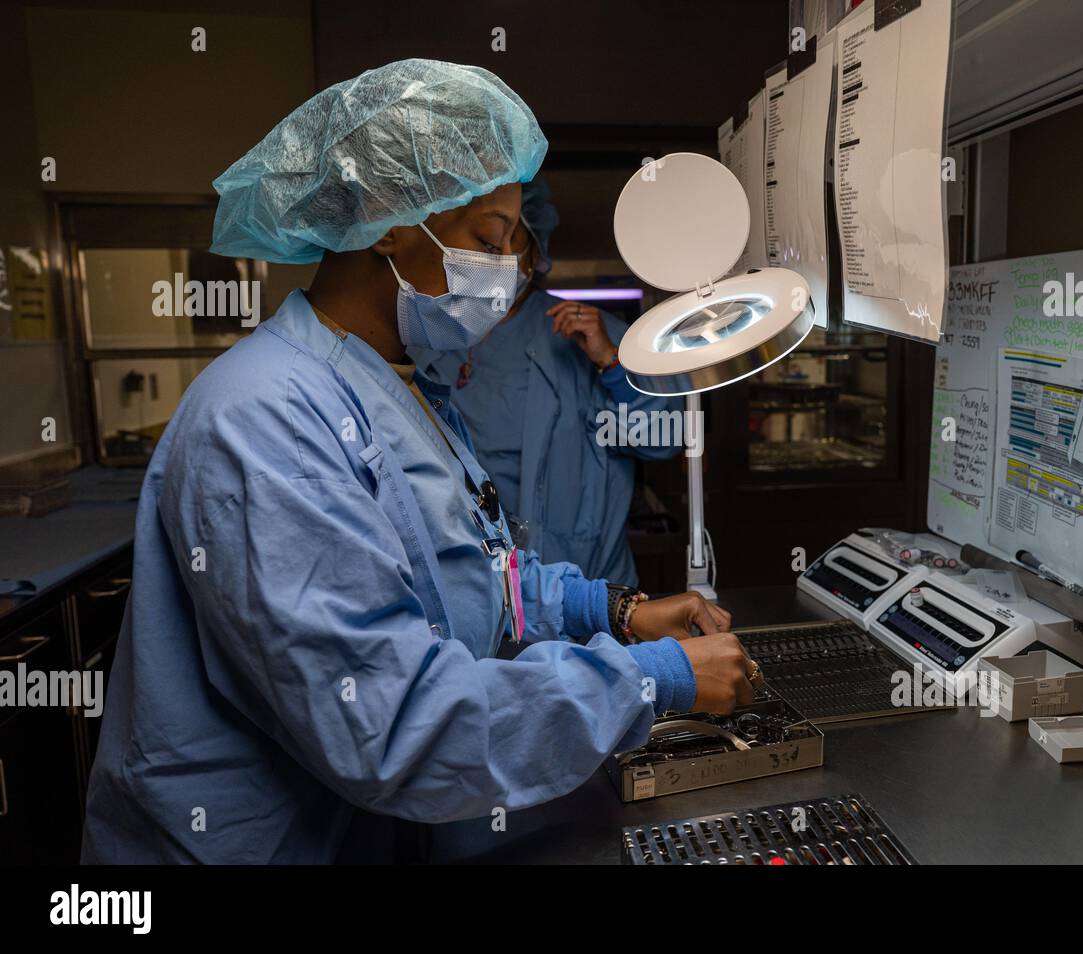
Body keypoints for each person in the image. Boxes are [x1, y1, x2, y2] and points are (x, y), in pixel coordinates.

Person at [81, 59, 759, 864]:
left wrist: (609, 612)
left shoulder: (403, 388)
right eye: (486, 241)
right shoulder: (266, 421)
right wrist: (652, 679)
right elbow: (392, 725)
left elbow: (473, 575)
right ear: (387, 221)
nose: (504, 274)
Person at [422, 178, 681, 585]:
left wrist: (610, 364)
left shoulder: (589, 335)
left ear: (532, 253)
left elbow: (664, 438)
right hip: (476, 583)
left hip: (584, 586)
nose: (494, 253)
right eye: (483, 239)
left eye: (508, 238)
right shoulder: (436, 334)